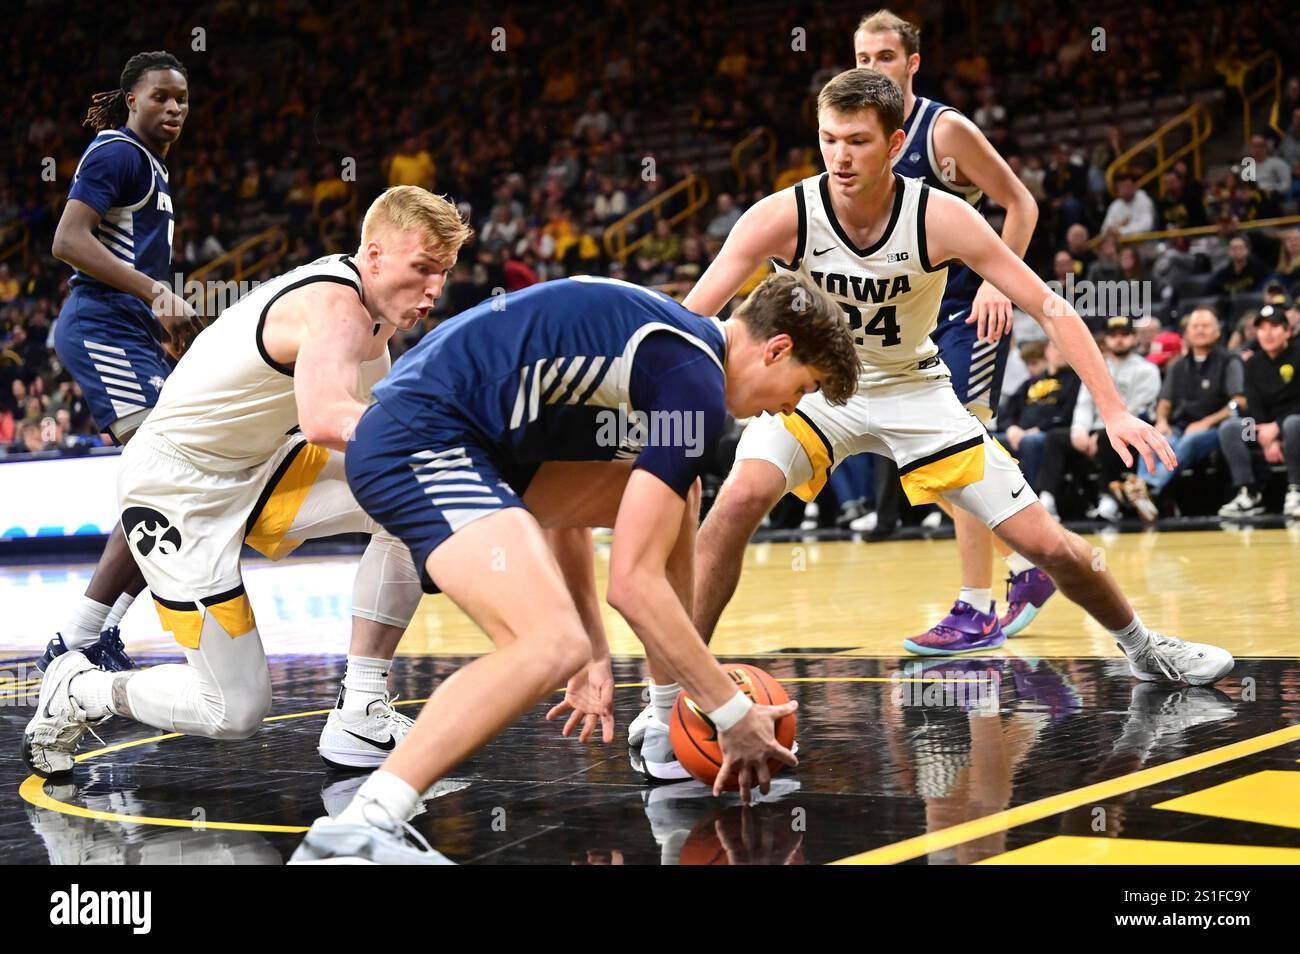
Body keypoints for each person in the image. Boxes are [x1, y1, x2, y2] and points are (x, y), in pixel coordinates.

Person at [667, 69, 1230, 722]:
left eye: (857, 141)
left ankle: (1144, 646)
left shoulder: (939, 217)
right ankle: (680, 685)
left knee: (1048, 545)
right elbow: (688, 322)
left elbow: (1048, 304)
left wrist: (1111, 405)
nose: (841, 157)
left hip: (915, 391)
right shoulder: (782, 216)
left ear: (896, 141)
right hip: (813, 390)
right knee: (736, 500)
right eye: (828, 141)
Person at [290, 271, 861, 862]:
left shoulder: (665, 346)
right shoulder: (692, 382)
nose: (789, 408)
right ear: (777, 349)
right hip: (424, 438)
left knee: (676, 502)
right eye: (805, 386)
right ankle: (364, 826)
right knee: (545, 643)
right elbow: (633, 584)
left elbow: (574, 515)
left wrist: (595, 654)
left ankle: (666, 729)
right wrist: (729, 709)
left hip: (465, 442)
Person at [23, 187, 472, 780]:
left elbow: (364, 437)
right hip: (174, 491)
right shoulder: (336, 308)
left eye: (442, 273)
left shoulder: (371, 323)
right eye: (423, 269)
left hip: (256, 469)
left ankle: (362, 707)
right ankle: (82, 691)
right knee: (234, 711)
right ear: (375, 253)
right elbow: (324, 419)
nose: (435, 289)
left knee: (413, 494)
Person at [849, 9, 1060, 647]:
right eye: (861, 59)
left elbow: (1021, 202)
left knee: (957, 452)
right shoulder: (854, 136)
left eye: (884, 58)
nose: (871, 70)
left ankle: (975, 605)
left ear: (912, 63)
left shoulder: (945, 131)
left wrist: (1001, 281)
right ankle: (1028, 561)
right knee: (915, 453)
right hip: (900, 322)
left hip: (970, 310)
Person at [43, 51, 203, 675]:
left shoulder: (153, 169)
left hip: (127, 333)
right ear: (131, 99)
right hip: (101, 328)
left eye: (182, 100)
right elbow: (68, 240)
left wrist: (166, 323)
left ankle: (98, 633)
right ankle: (78, 639)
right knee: (169, 479)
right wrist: (156, 294)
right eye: (161, 96)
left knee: (175, 486)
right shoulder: (117, 153)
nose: (173, 108)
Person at [1037, 317, 1162, 522]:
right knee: (1056, 437)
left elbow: (1136, 410)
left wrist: (1102, 431)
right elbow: (1085, 403)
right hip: (1094, 430)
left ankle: (1109, 500)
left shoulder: (1147, 370)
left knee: (1108, 437)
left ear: (1134, 338)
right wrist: (1080, 430)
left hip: (1129, 432)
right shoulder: (1096, 367)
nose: (1119, 340)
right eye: (1114, 336)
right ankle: (1047, 499)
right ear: (1106, 340)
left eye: (1124, 335)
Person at [1139, 308, 1244, 500]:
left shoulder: (1230, 361)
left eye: (1205, 326)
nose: (1200, 330)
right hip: (1180, 426)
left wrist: (1206, 423)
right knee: (1156, 439)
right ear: (1186, 333)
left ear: (1218, 332)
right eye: (1195, 326)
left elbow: (1239, 401)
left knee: (1190, 441)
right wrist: (1161, 422)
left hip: (1216, 428)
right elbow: (1164, 402)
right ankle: (1143, 488)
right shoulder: (1178, 365)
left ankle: (1148, 488)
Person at [1217, 304, 1300, 518]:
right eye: (1262, 329)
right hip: (1264, 429)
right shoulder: (1253, 363)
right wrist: (1267, 435)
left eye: (1274, 327)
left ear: (1288, 331)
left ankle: (1296, 490)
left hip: (1291, 426)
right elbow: (1254, 403)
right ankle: (1249, 493)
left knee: (1293, 423)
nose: (1268, 333)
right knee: (1232, 428)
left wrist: (1276, 427)